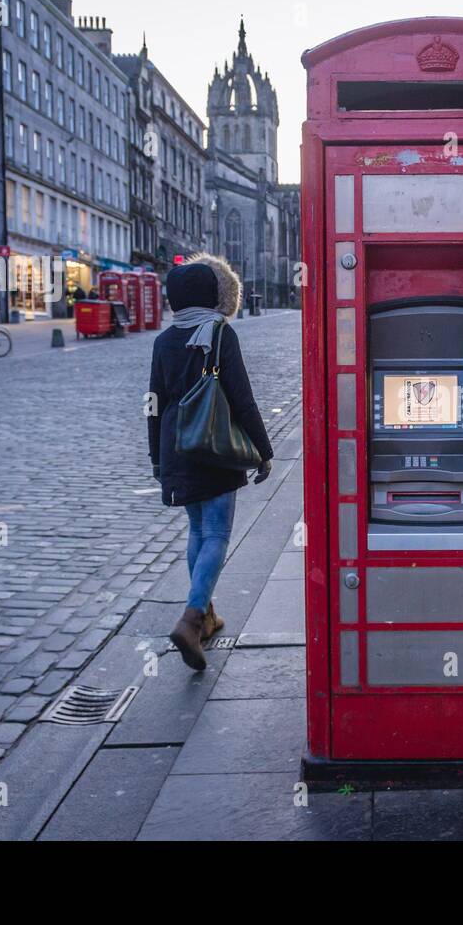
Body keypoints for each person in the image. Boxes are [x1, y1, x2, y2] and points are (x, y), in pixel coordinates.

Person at [148, 254, 274, 671]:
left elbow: (153, 406)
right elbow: (242, 398)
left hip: (177, 450)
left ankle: (207, 616)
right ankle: (190, 618)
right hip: (215, 449)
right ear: (211, 294)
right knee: (217, 532)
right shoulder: (220, 335)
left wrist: (156, 460)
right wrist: (264, 450)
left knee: (198, 530)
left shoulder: (163, 342)